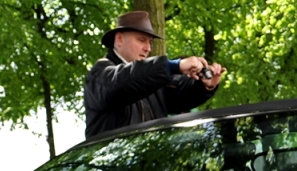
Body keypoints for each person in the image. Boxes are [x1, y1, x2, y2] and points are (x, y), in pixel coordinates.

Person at [84, 11, 226, 139]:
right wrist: (174, 65)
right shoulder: (100, 74)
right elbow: (122, 82)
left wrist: (204, 85)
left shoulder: (151, 79)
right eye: (141, 40)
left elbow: (179, 93)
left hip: (149, 164)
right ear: (120, 39)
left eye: (150, 42)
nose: (148, 48)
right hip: (113, 165)